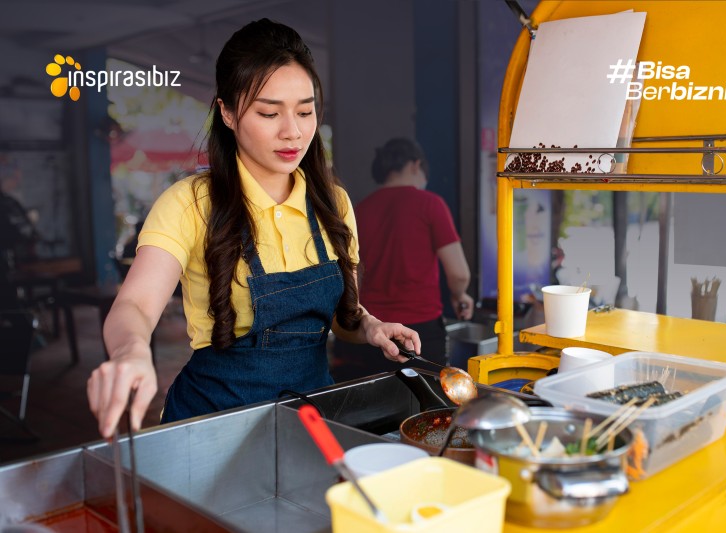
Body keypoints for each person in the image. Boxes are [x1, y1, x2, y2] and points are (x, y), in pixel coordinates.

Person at [87, 19, 420, 438]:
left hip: (311, 418)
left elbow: (342, 320)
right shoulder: (190, 203)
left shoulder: (333, 203)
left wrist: (370, 327)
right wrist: (131, 352)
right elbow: (133, 306)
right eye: (268, 112)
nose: (293, 131)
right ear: (226, 112)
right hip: (211, 422)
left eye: (305, 110)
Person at [331, 138, 473, 381]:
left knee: (379, 408)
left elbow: (351, 273)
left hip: (372, 332)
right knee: (427, 409)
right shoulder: (430, 204)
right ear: (416, 165)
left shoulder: (359, 210)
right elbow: (459, 273)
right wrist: (460, 295)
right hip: (420, 332)